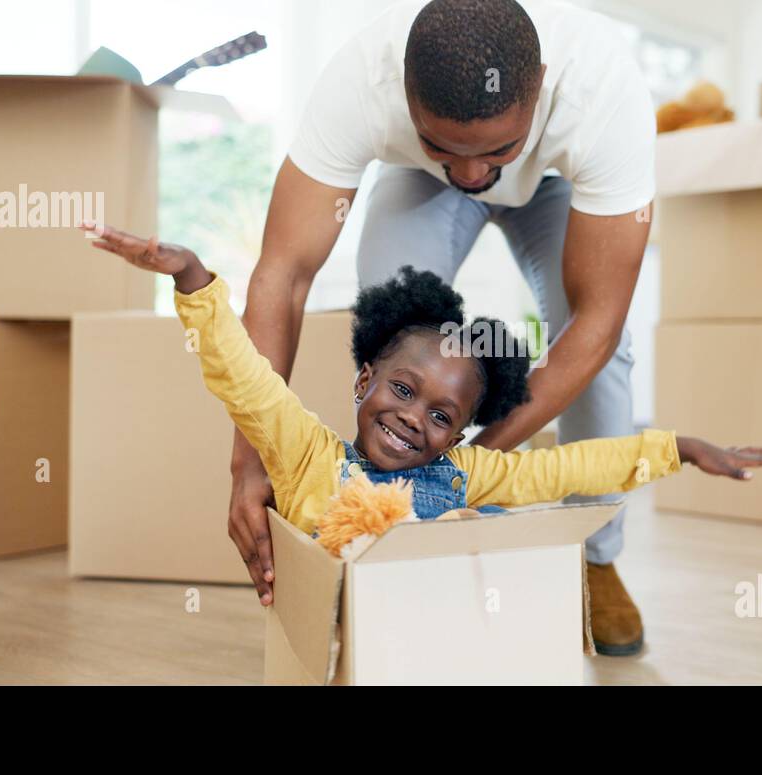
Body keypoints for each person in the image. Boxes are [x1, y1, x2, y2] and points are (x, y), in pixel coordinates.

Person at [231, 0, 659, 653]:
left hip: (553, 183)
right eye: (443, 142)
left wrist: (472, 463)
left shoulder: (604, 94)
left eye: (495, 149)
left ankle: (596, 557)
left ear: (540, 84)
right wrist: (248, 459)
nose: (470, 174)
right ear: (402, 87)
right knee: (392, 325)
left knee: (604, 342)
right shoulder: (361, 82)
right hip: (415, 181)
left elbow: (598, 322)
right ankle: (382, 520)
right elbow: (282, 275)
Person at [80, 223, 762, 561]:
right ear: (364, 379)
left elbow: (569, 469)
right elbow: (244, 378)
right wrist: (194, 279)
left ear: (462, 432)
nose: (413, 418)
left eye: (443, 414)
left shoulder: (468, 474)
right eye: (403, 388)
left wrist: (682, 448)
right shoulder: (301, 454)